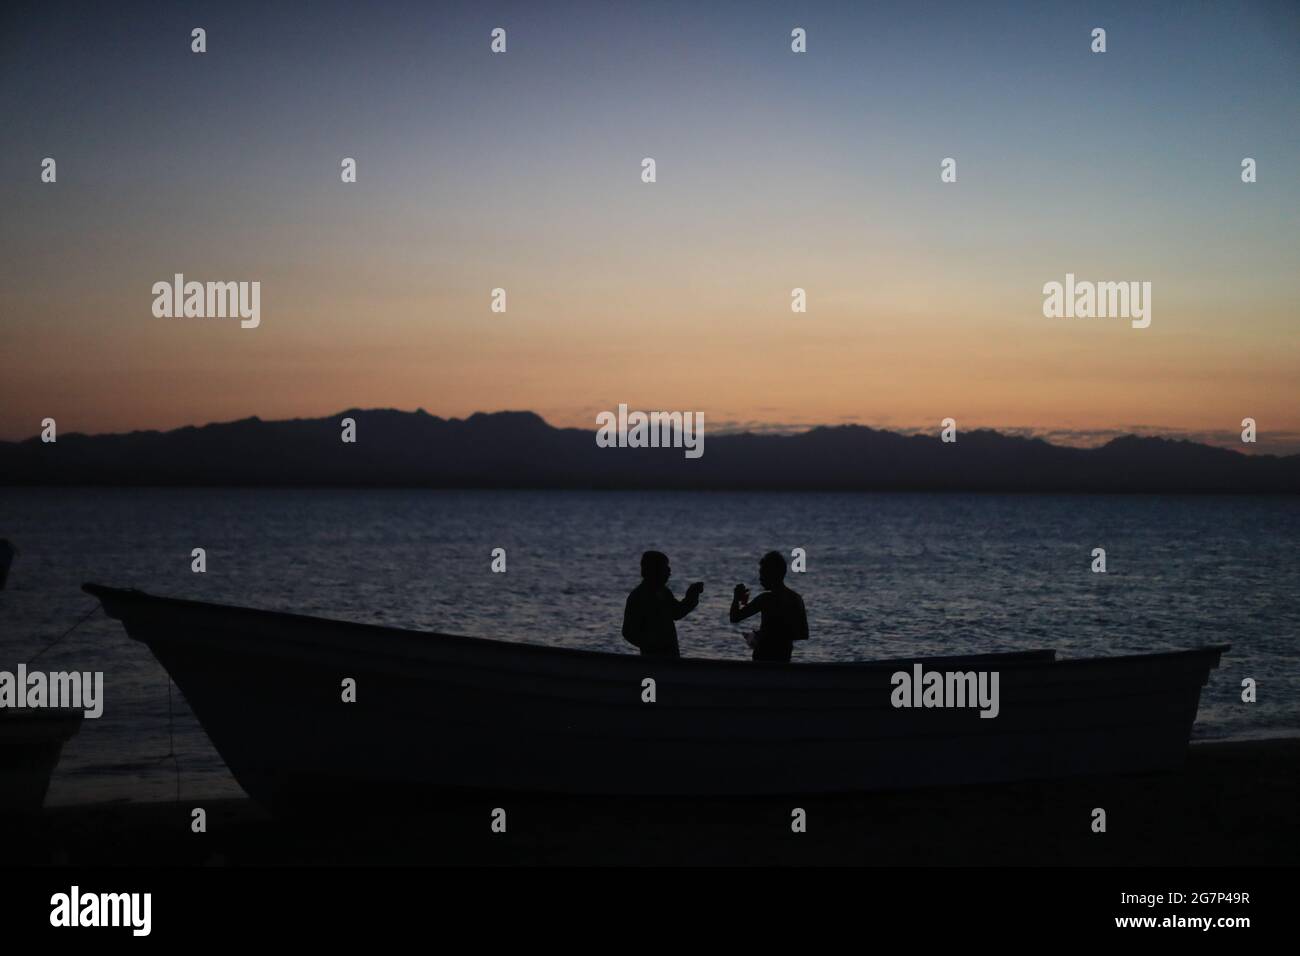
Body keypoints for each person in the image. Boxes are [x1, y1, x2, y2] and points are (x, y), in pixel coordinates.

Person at [729, 551, 808, 662]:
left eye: (763, 573)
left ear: (772, 574)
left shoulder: (765, 599)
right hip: (783, 659)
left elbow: (734, 617)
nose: (760, 578)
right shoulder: (796, 599)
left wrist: (736, 598)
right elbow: (803, 633)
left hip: (763, 659)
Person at [622, 551, 703, 658]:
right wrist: (651, 646)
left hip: (670, 657)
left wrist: (692, 596)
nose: (669, 571)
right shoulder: (638, 596)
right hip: (652, 659)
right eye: (665, 567)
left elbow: (676, 612)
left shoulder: (664, 592)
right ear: (654, 570)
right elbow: (628, 632)